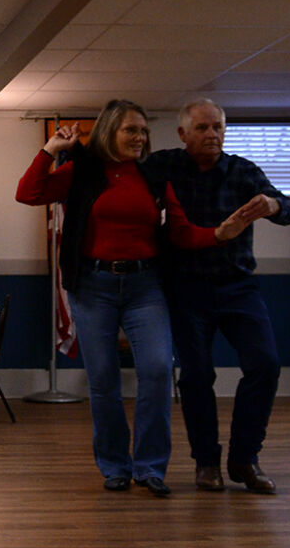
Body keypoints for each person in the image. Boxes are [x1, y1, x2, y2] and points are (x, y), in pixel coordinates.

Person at [15, 100, 271, 497]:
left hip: (145, 286)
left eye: (143, 132)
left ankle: (150, 467)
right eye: (130, 130)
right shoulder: (81, 172)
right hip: (93, 286)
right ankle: (115, 465)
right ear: (109, 133)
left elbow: (182, 232)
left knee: (155, 371)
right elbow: (28, 193)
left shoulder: (153, 176)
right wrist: (50, 151)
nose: (139, 138)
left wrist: (219, 235)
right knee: (103, 381)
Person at [145, 99, 290, 494]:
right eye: (202, 128)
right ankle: (206, 462)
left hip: (238, 286)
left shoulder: (243, 170)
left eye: (217, 128)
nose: (212, 135)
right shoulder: (166, 166)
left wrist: (274, 203)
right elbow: (118, 175)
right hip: (186, 288)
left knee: (265, 365)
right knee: (196, 376)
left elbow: (288, 208)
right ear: (183, 134)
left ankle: (245, 458)